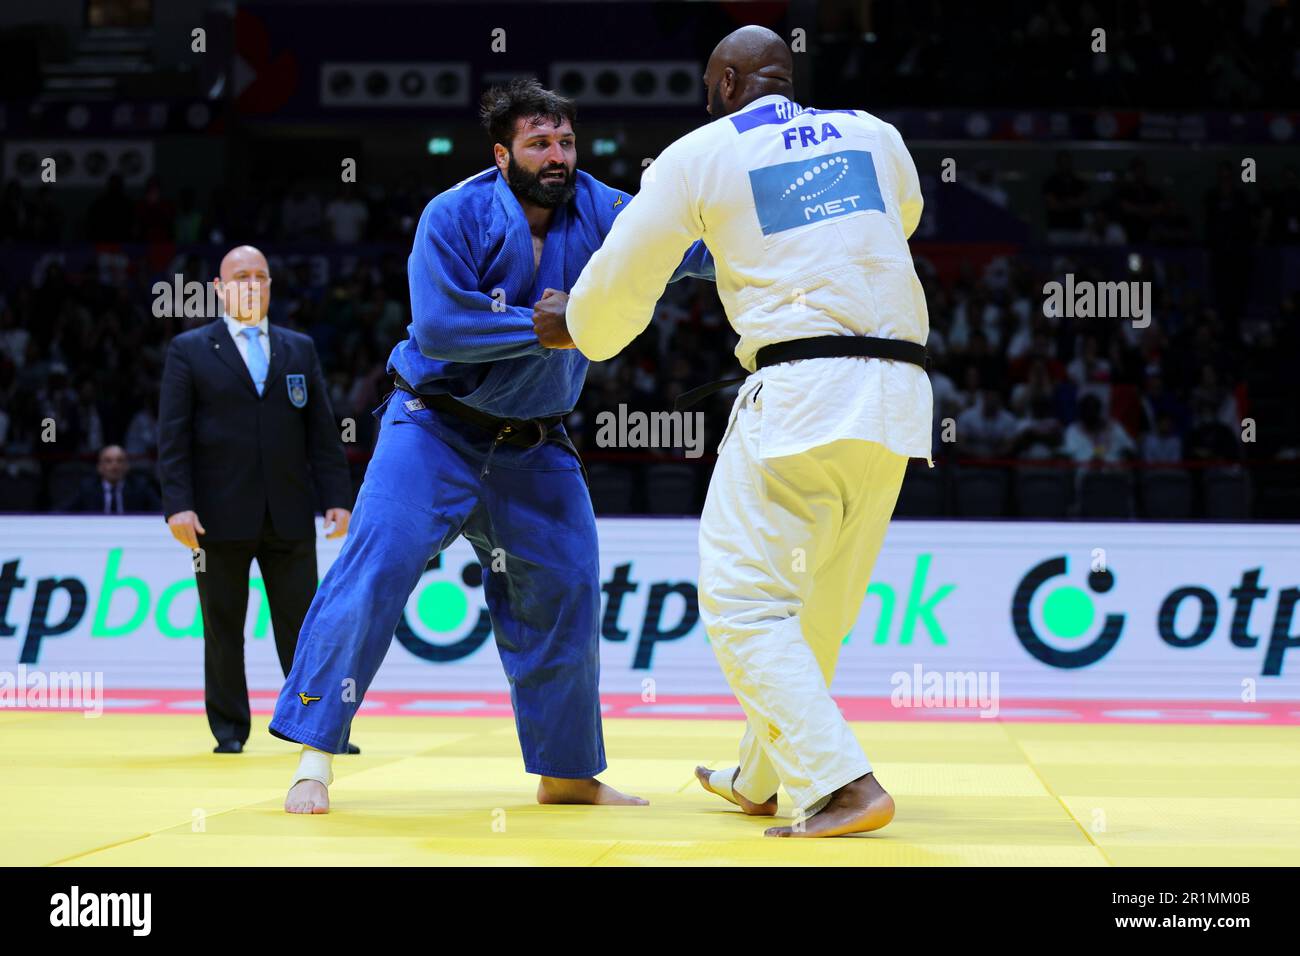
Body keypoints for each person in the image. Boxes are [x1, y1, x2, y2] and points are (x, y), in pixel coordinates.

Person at [267, 79, 712, 814]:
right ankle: (314, 755)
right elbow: (440, 326)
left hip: (537, 445)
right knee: (377, 565)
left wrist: (775, 260)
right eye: (540, 143)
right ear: (503, 154)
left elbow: (682, 253)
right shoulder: (455, 213)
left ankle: (567, 771)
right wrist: (559, 327)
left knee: (568, 588)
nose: (558, 156)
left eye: (567, 142)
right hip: (432, 428)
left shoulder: (604, 208)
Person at [534, 26, 932, 837]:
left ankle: (845, 787)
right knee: (816, 608)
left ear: (722, 82)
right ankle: (761, 777)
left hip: (804, 391)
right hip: (898, 395)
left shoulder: (700, 153)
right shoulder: (875, 135)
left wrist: (570, 320)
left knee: (743, 603)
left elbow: (627, 274)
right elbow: (903, 219)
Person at [158, 245, 353, 754]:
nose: (251, 284)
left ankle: (318, 729)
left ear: (270, 286)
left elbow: (322, 434)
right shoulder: (190, 349)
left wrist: (337, 498)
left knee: (306, 629)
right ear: (219, 289)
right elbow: (173, 437)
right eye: (239, 276)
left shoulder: (298, 348)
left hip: (288, 511)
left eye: (260, 276)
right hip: (216, 517)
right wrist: (178, 503)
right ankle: (229, 730)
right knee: (223, 627)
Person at [67, 444, 161, 513]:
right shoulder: (87, 488)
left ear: (127, 466)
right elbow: (61, 513)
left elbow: (161, 512)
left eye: (120, 461)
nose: (114, 466)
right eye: (108, 461)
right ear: (99, 467)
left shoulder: (140, 487)